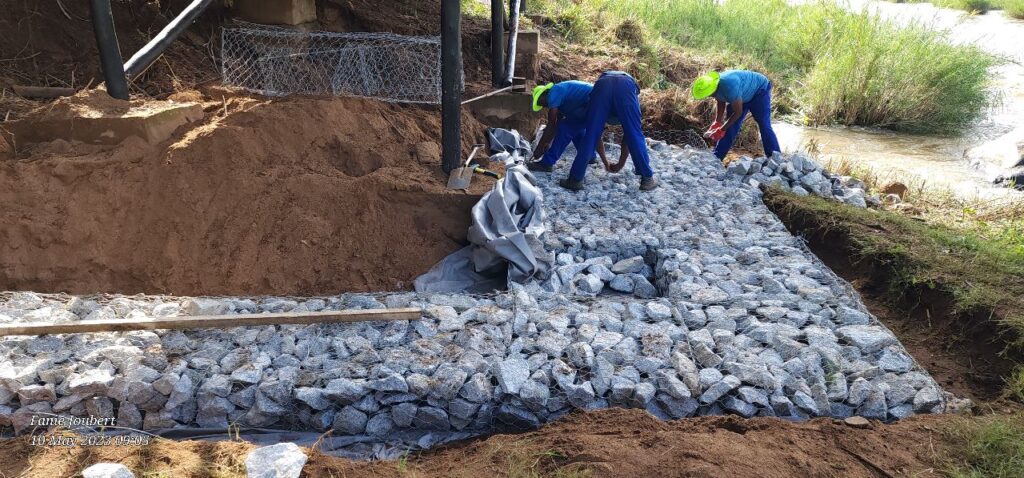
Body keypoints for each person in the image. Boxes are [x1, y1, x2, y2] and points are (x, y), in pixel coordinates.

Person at [548, 71, 657, 192]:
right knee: (634, 133)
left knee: (591, 134)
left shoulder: (607, 102)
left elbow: (596, 136)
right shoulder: (634, 102)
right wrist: (619, 164)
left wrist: (613, 163)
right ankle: (647, 178)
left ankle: (575, 179)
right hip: (626, 85)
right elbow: (630, 137)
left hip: (602, 84)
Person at [691, 69, 781, 160]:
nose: (709, 96)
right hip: (741, 94)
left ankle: (775, 157)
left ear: (713, 88)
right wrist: (717, 122)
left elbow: (738, 112)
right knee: (730, 125)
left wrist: (721, 130)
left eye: (709, 94)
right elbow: (720, 102)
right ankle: (717, 157)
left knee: (764, 124)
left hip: (759, 90)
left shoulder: (729, 86)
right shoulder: (715, 87)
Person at [528, 80, 609, 173]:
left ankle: (546, 163)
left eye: (541, 102)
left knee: (565, 128)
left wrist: (539, 148)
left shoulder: (554, 92)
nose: (543, 106)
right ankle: (589, 156)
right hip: (595, 102)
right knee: (577, 128)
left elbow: (551, 124)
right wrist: (547, 143)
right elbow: (555, 123)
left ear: (544, 94)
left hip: (593, 101)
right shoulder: (562, 97)